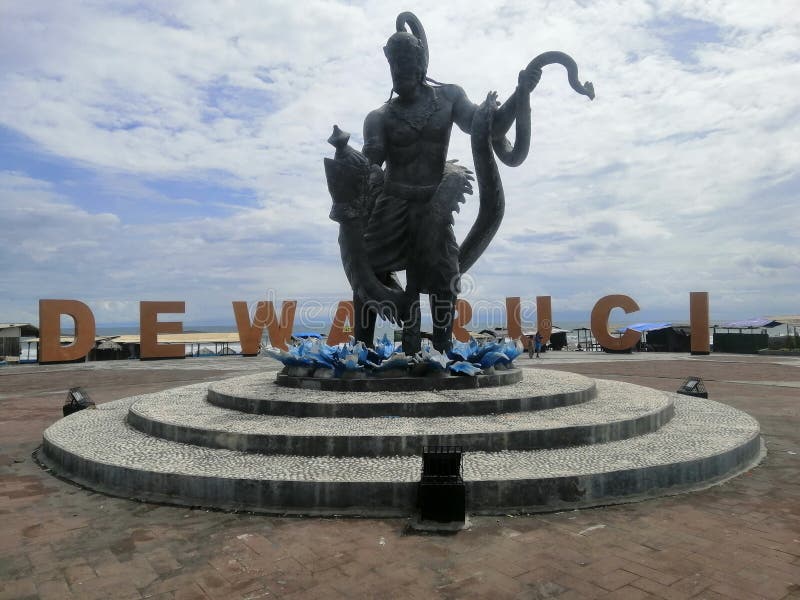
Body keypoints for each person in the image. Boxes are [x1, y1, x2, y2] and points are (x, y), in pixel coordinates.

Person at [355, 24, 541, 353]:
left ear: (421, 64)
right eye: (395, 66)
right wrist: (354, 174)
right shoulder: (379, 117)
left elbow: (488, 126)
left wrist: (520, 94)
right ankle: (362, 346)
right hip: (392, 205)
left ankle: (442, 347)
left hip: (434, 204)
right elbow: (370, 163)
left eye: (407, 64)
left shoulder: (449, 98)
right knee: (366, 270)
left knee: (445, 278)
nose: (401, 72)